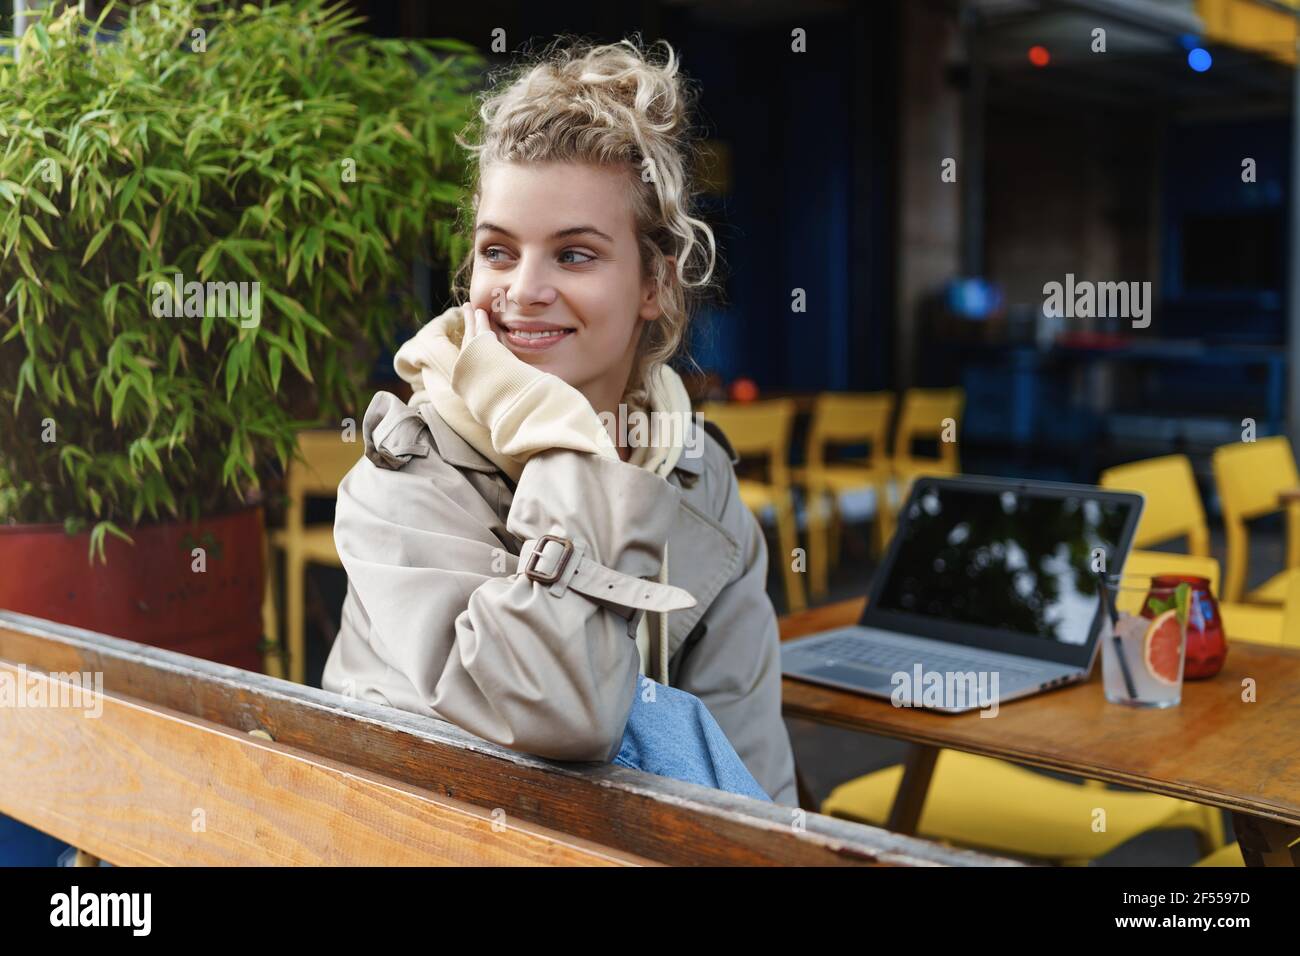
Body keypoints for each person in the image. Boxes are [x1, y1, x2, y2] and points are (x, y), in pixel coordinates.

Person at [322, 37, 798, 806]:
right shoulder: (402, 481)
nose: (523, 290)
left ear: (654, 282)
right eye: (498, 252)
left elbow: (749, 784)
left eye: (574, 255)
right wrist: (558, 435)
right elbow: (551, 712)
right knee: (659, 724)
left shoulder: (698, 478)